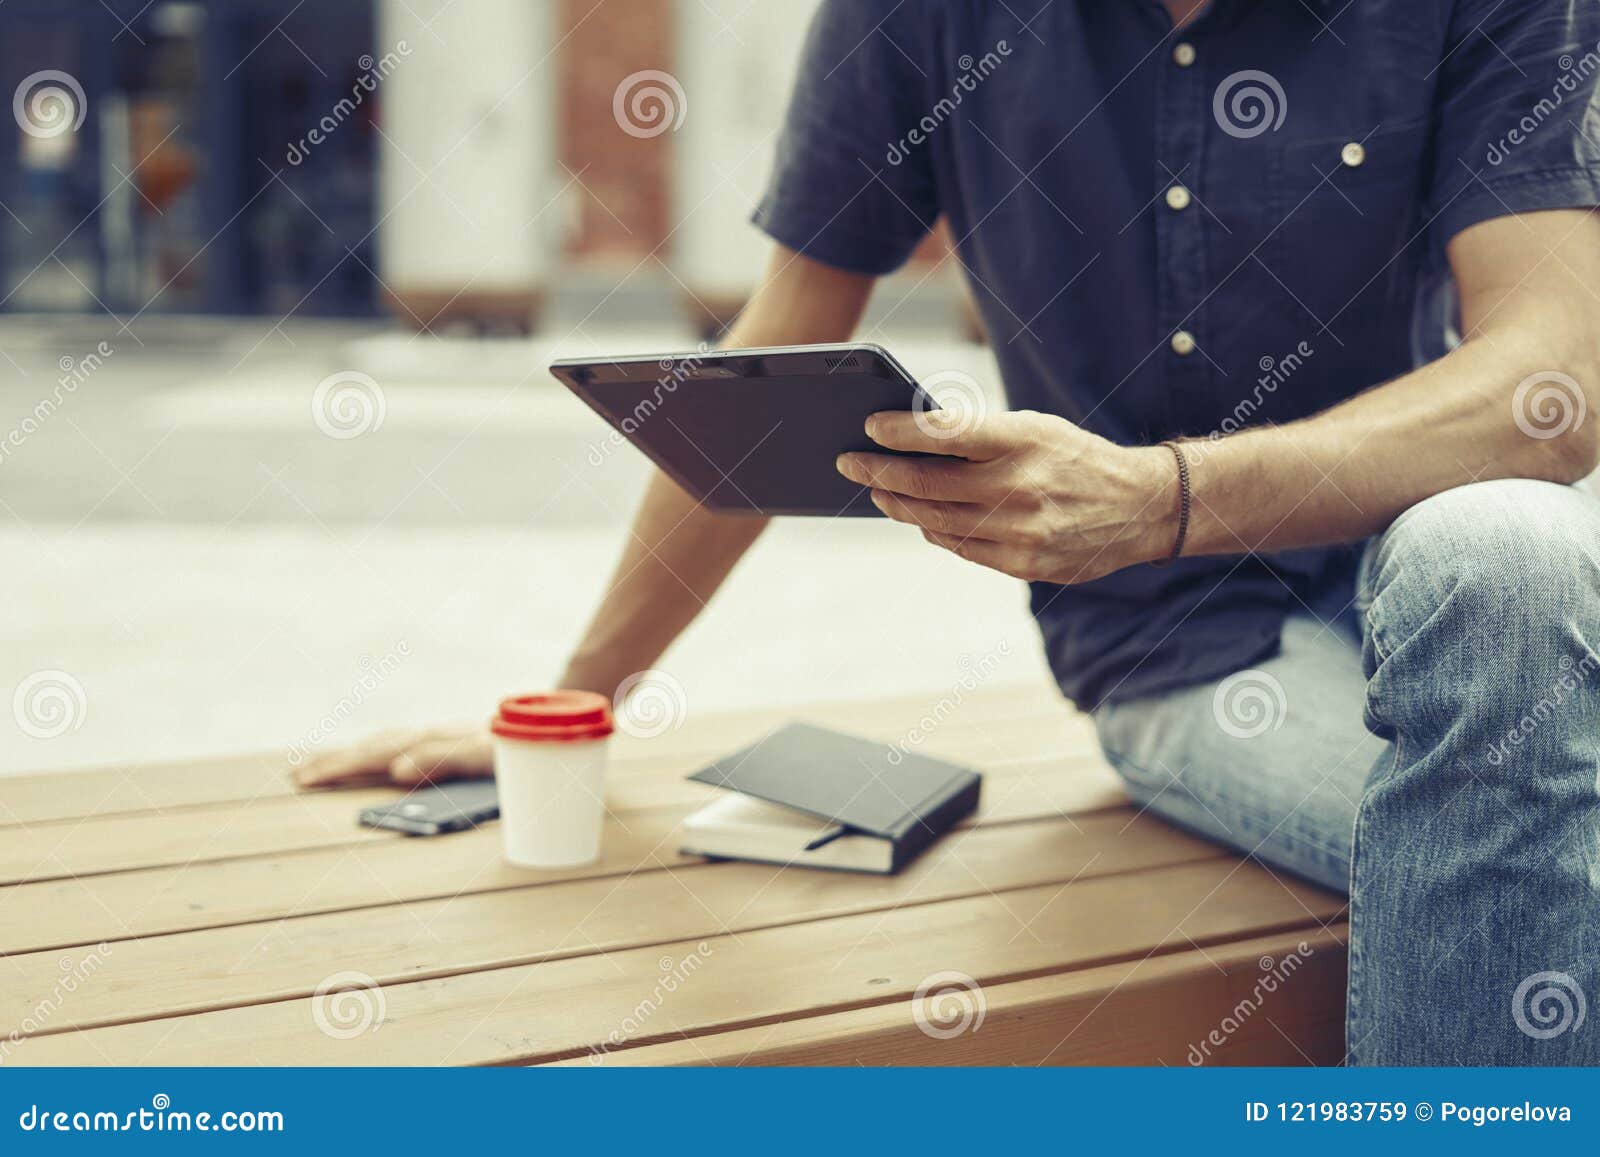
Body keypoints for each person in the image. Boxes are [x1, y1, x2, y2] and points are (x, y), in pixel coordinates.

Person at [303, 0, 1600, 1064]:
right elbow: (775, 363)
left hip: (1451, 591)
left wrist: (1166, 496)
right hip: (1194, 646)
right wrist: (573, 699)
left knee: (1507, 549)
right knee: (1540, 836)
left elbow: (1555, 385)